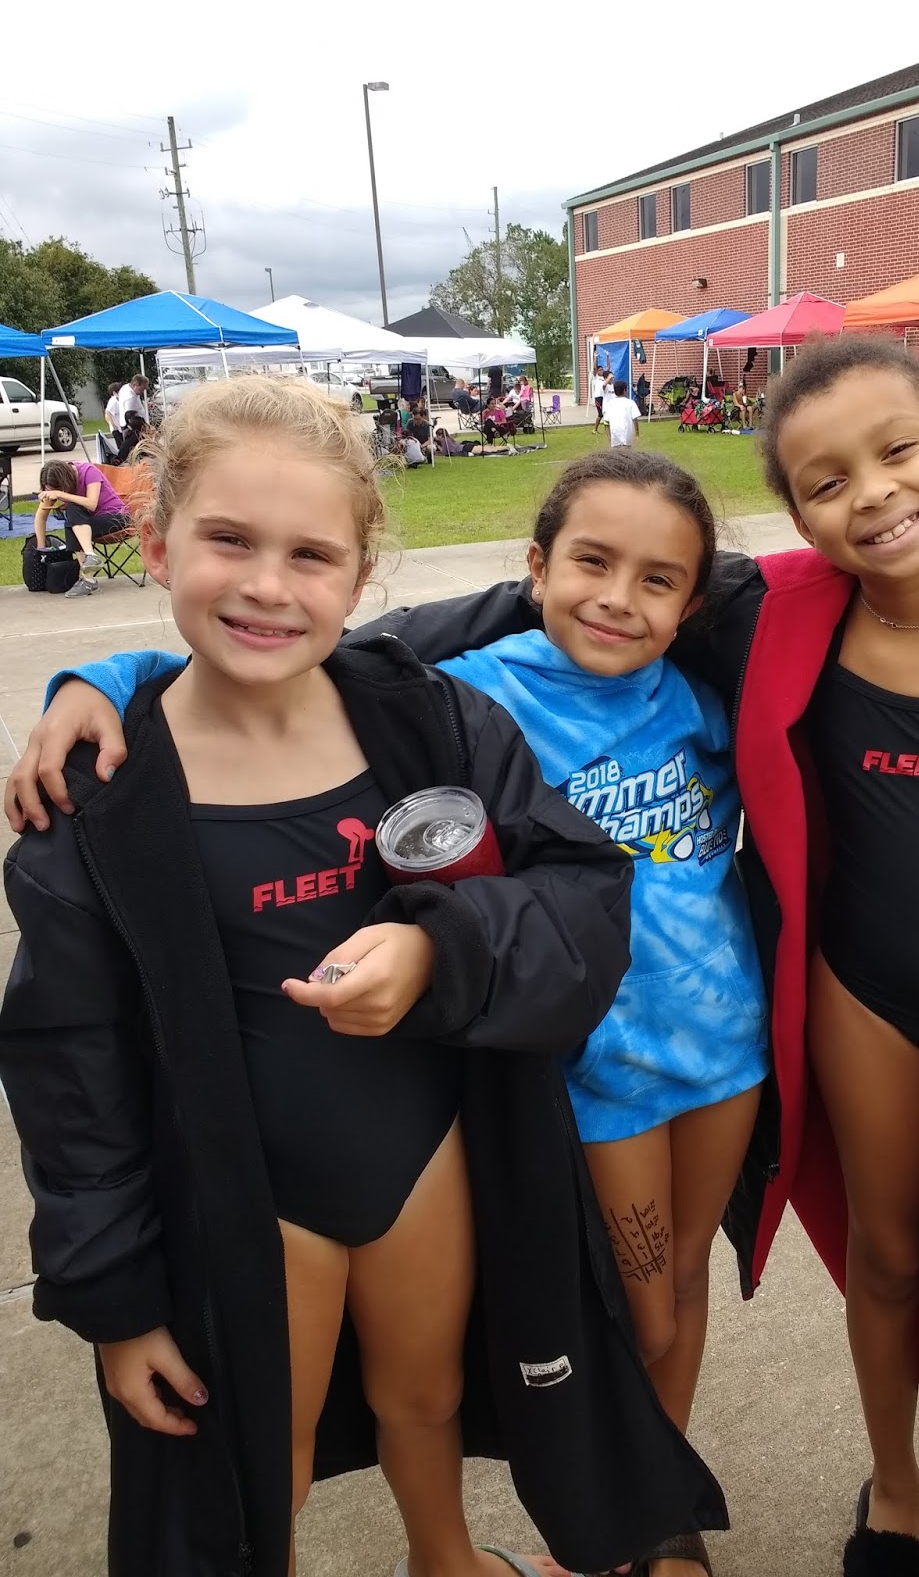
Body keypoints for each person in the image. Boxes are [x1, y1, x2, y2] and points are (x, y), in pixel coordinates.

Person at [14, 341, 919, 1577]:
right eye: (825, 480)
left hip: (772, 1037)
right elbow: (309, 639)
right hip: (670, 1043)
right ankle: (716, 1508)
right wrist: (110, 670)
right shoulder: (538, 675)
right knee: (707, 1289)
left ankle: (677, 1519)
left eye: (900, 452)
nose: (873, 493)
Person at [0, 376, 726, 1577]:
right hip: (244, 1191)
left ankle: (444, 1558)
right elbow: (68, 1074)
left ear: (361, 567)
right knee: (256, 1453)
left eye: (311, 554)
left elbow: (582, 895)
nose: (269, 585)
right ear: (155, 537)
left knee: (428, 1397)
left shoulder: (427, 726)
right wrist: (115, 1299)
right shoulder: (102, 797)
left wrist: (445, 945)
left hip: (423, 1153)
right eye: (228, 540)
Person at [34, 459, 132, 598]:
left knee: (71, 512)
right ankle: (89, 564)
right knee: (71, 515)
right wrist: (41, 549)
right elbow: (41, 517)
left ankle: (88, 577)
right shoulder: (54, 484)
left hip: (115, 518)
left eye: (58, 489)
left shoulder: (88, 471)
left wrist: (61, 495)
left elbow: (92, 504)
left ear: (65, 481)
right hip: (87, 524)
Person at [603, 378, 641, 448]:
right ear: (625, 390)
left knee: (616, 455)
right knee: (627, 454)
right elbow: (635, 419)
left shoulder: (610, 403)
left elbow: (606, 422)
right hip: (627, 434)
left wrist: (609, 436)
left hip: (614, 435)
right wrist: (637, 434)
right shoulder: (630, 403)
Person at [592, 362, 609, 433]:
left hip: (604, 397)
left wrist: (608, 356)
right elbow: (594, 368)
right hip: (598, 398)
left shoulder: (604, 378)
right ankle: (595, 429)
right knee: (600, 414)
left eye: (602, 370)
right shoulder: (596, 377)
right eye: (600, 370)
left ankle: (606, 429)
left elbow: (608, 367)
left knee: (606, 413)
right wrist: (595, 357)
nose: (602, 371)